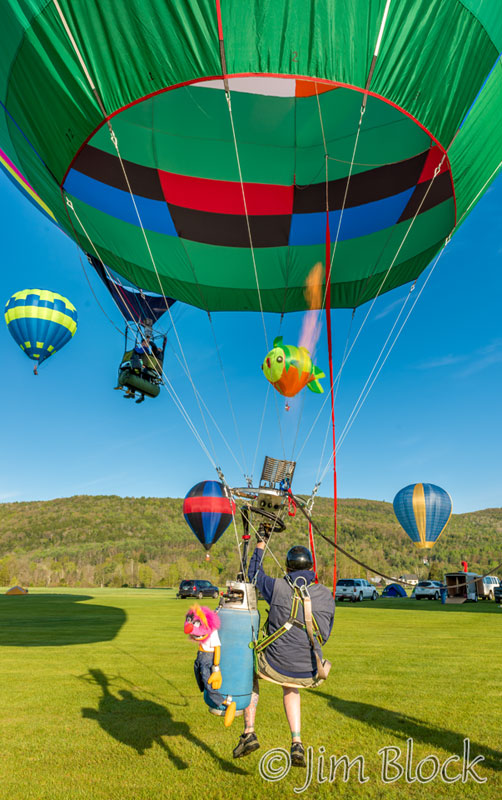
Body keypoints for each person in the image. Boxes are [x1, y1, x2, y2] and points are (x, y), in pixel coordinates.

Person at [233, 538, 335, 766]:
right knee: (290, 687)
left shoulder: (277, 587)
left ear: (287, 569)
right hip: (307, 669)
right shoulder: (326, 594)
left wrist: (260, 545)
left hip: (274, 664)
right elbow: (325, 634)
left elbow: (254, 573)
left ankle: (249, 732)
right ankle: (296, 741)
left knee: (248, 671)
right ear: (311, 569)